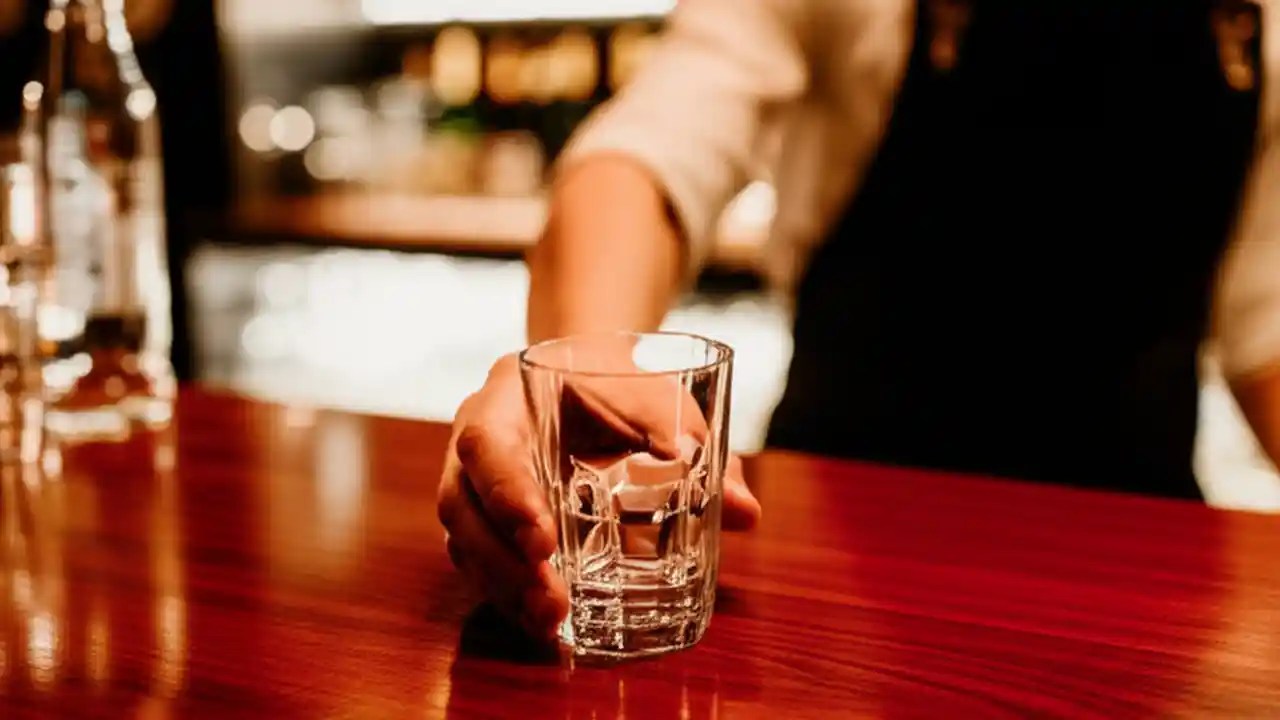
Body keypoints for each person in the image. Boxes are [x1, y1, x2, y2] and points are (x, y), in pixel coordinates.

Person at [437, 0, 1280, 638]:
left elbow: (1267, 331)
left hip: (1144, 581)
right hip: (832, 566)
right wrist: (587, 359)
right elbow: (654, 149)